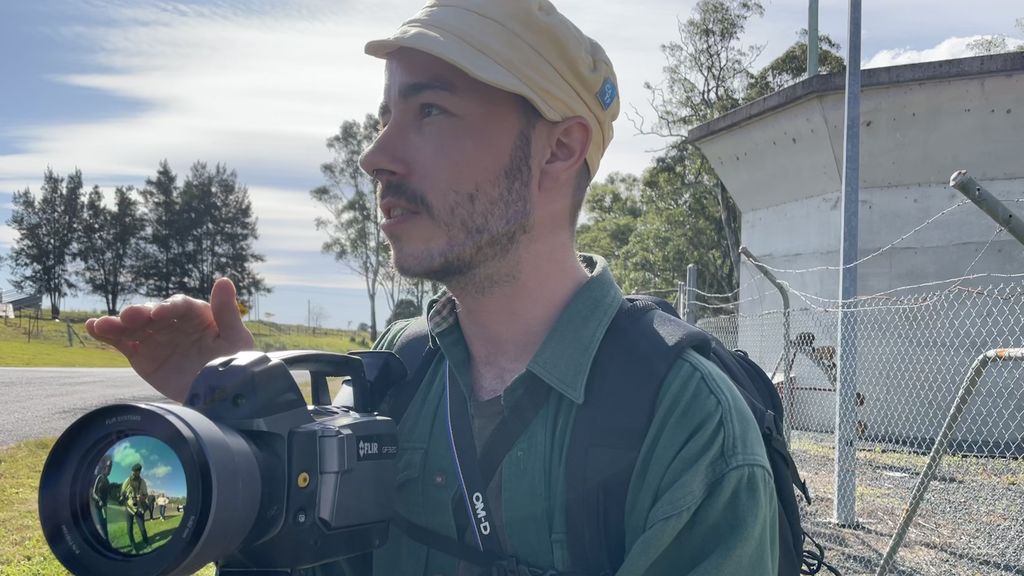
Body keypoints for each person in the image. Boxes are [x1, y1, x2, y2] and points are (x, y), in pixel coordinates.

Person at [85, 1, 778, 574]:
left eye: (431, 111)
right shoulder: (398, 369)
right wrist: (249, 438)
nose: (375, 155)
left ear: (559, 148)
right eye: (387, 116)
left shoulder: (685, 423)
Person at [120, 463, 150, 550]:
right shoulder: (127, 480)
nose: (133, 473)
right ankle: (133, 545)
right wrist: (123, 496)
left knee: (142, 528)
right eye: (132, 471)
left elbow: (146, 495)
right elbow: (122, 492)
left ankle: (146, 542)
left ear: (139, 472)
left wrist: (142, 498)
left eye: (135, 471)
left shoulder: (142, 482)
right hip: (129, 508)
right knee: (129, 528)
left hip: (139, 508)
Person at [90, 455, 112, 542]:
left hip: (104, 507)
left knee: (105, 526)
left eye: (110, 467)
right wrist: (99, 500)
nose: (109, 469)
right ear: (105, 467)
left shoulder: (107, 480)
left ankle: (107, 543)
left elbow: (107, 495)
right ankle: (105, 544)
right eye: (108, 467)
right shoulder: (99, 477)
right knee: (102, 526)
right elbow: (93, 493)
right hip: (98, 507)